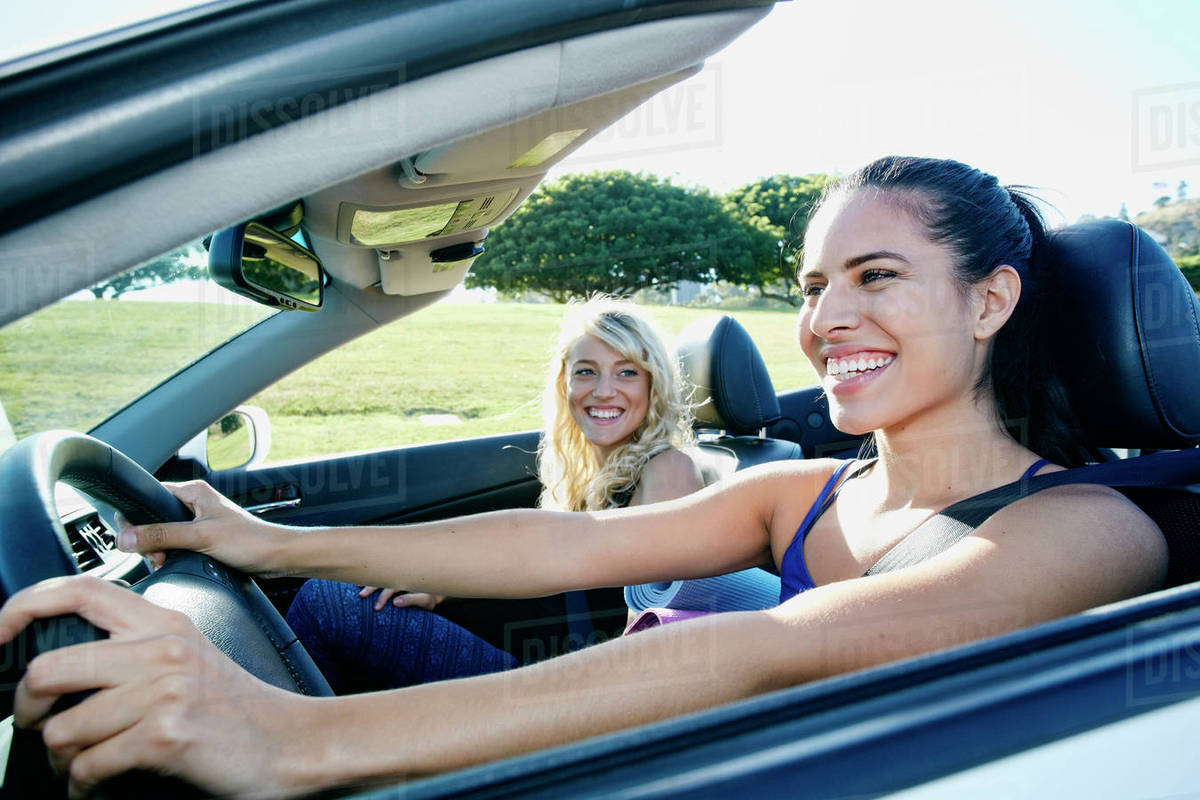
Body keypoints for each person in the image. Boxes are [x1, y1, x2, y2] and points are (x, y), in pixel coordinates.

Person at [0, 156, 1167, 798]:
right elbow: (561, 543)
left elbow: (770, 649)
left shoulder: (1091, 530)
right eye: (813, 285)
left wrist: (292, 739)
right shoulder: (805, 488)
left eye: (875, 276)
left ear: (989, 300)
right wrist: (265, 540)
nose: (825, 320)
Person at [282, 296, 704, 692]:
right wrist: (442, 588)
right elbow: (551, 582)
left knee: (329, 604)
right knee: (344, 596)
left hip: (567, 696)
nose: (604, 390)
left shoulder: (667, 469)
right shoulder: (586, 476)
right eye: (586, 371)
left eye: (627, 371)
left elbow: (654, 637)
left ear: (654, 385)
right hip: (538, 665)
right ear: (565, 384)